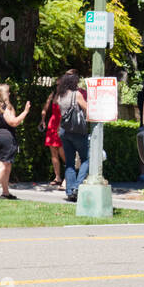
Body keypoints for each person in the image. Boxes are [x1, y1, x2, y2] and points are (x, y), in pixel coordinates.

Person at [0, 84, 30, 199]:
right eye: (8, 92)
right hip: (6, 138)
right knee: (2, 165)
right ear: (3, 95)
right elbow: (13, 122)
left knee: (7, 164)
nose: (9, 94)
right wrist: (25, 112)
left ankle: (5, 191)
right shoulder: (5, 108)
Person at [55, 69, 90, 202]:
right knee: (86, 159)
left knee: (69, 163)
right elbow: (87, 108)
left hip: (64, 131)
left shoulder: (60, 96)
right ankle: (76, 187)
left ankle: (69, 192)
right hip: (78, 131)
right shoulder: (77, 95)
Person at [39, 88, 65, 187]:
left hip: (60, 124)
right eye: (57, 84)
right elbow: (45, 109)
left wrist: (60, 126)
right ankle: (57, 177)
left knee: (63, 153)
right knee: (53, 153)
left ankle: (69, 175)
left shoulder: (65, 95)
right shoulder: (52, 95)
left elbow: (64, 113)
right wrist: (42, 119)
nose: (58, 86)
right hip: (52, 124)